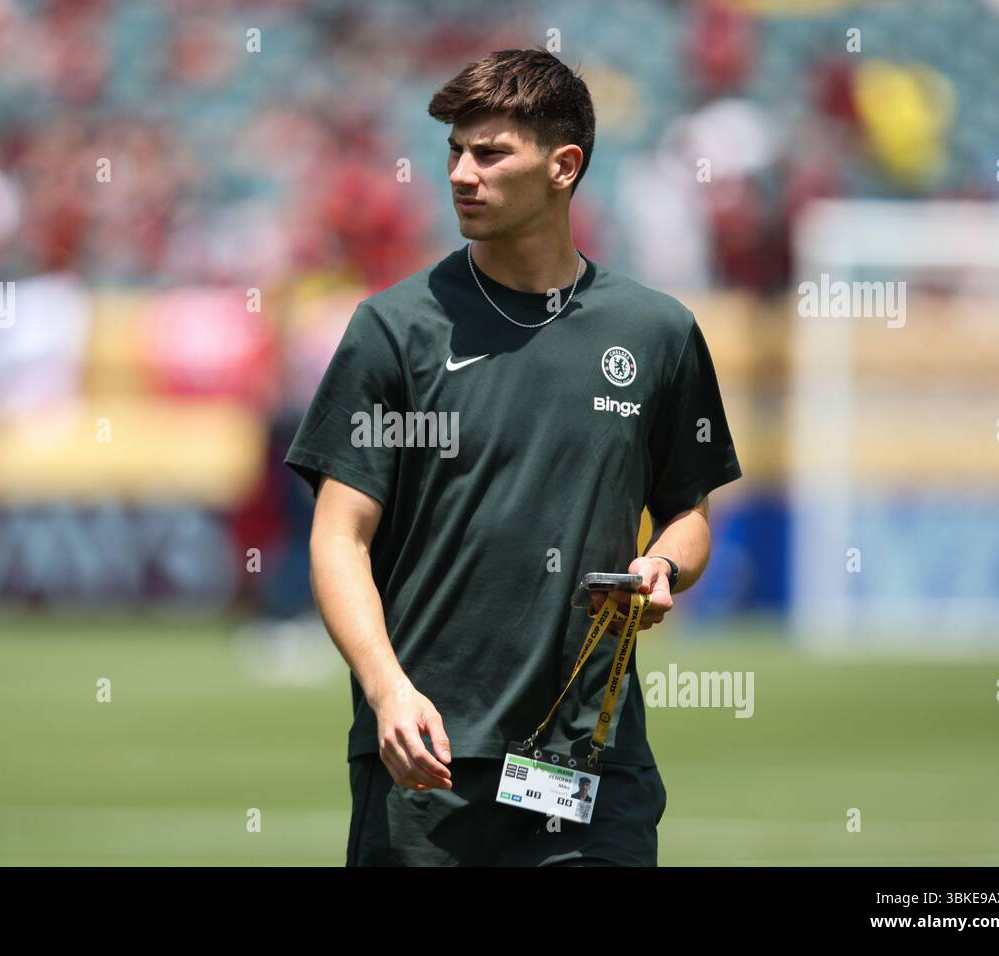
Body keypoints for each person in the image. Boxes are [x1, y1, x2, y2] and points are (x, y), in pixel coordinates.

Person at [284, 48, 742, 866]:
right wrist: (387, 692)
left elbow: (688, 512)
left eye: (490, 152)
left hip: (590, 764)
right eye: (454, 151)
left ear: (564, 166)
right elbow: (338, 537)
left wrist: (663, 566)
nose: (462, 172)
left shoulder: (655, 333)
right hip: (428, 762)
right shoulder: (395, 331)